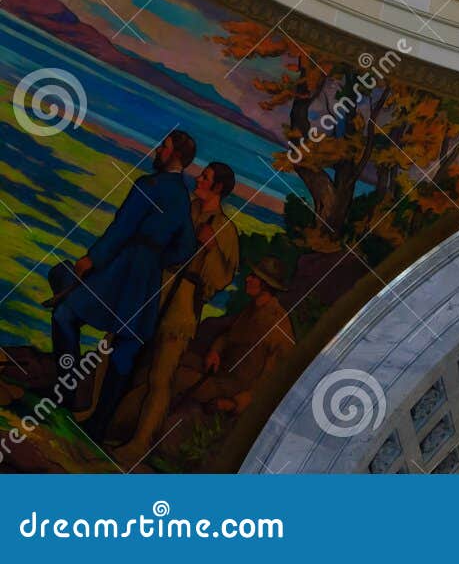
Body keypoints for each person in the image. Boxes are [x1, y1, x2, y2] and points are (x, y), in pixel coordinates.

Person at [48, 129, 198, 441]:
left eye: (164, 146)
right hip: (147, 278)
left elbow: (122, 228)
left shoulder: (149, 185)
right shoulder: (183, 198)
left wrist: (92, 259)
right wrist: (156, 257)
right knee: (125, 348)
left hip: (121, 267)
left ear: (175, 155)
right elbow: (185, 249)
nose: (158, 150)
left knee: (65, 315)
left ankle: (66, 394)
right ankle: (98, 426)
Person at [112, 161, 240, 461]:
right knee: (122, 354)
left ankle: (140, 443)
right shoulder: (184, 209)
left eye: (205, 177)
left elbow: (220, 279)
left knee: (161, 376)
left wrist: (211, 248)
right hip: (155, 289)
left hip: (183, 308)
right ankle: (103, 421)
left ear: (218, 187)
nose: (198, 179)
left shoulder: (226, 231)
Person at [186, 257, 295, 415]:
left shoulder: (277, 322)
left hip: (234, 388)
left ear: (266, 285)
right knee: (180, 359)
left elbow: (277, 375)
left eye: (254, 277)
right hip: (222, 371)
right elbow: (229, 336)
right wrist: (215, 351)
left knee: (179, 378)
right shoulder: (252, 308)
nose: (247, 279)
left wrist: (238, 402)